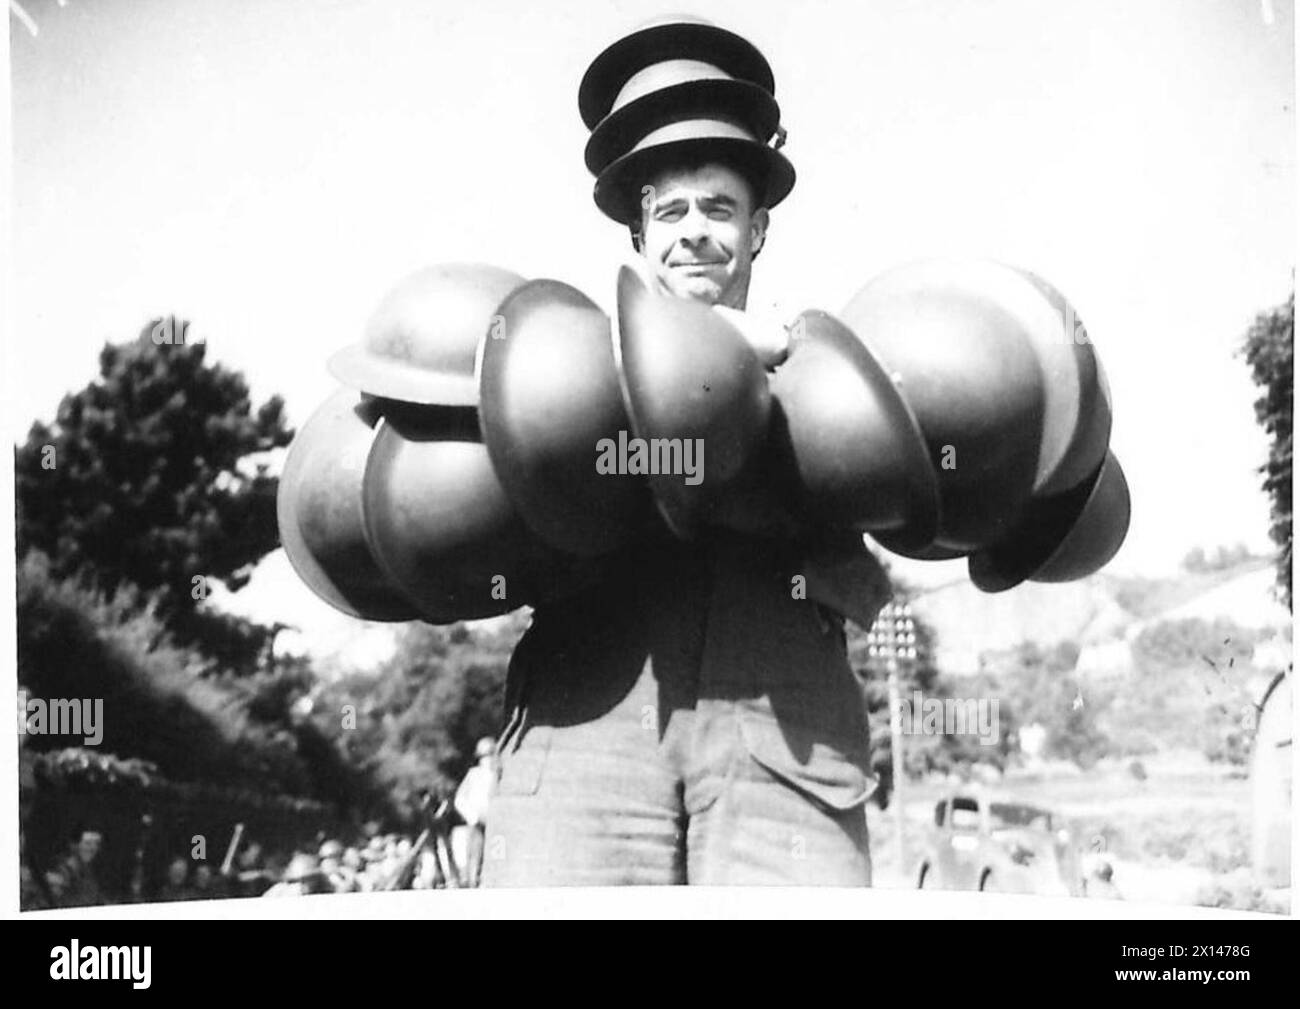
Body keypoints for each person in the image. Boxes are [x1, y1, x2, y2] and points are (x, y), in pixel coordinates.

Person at [482, 18, 891, 887]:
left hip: (786, 746)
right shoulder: (563, 376)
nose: (694, 232)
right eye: (670, 212)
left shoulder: (831, 377)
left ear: (759, 229)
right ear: (638, 237)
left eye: (720, 208)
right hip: (585, 741)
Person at [453, 738, 497, 887]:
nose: (488, 760)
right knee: (475, 859)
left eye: (491, 755)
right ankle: (473, 885)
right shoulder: (474, 775)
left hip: (496, 825)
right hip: (477, 824)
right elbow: (459, 799)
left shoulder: (499, 775)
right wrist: (472, 816)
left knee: (497, 857)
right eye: (484, 757)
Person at [45, 827, 105, 907]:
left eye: (97, 843)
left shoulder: (89, 872)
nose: (93, 848)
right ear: (73, 845)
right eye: (88, 843)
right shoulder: (63, 872)